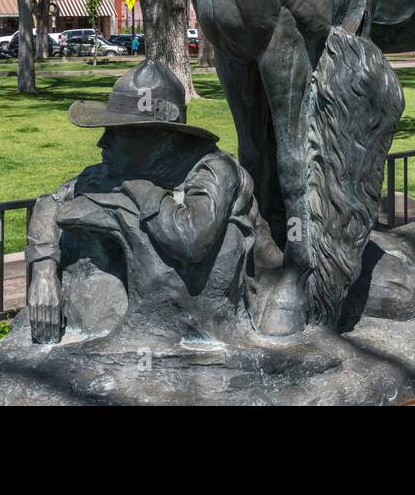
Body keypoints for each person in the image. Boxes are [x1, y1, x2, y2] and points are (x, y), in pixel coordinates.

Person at [25, 60, 270, 343]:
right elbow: (49, 201)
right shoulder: (121, 166)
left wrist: (134, 186)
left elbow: (191, 238)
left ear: (157, 136)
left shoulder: (216, 170)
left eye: (117, 132)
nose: (102, 143)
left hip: (241, 315)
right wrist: (43, 269)